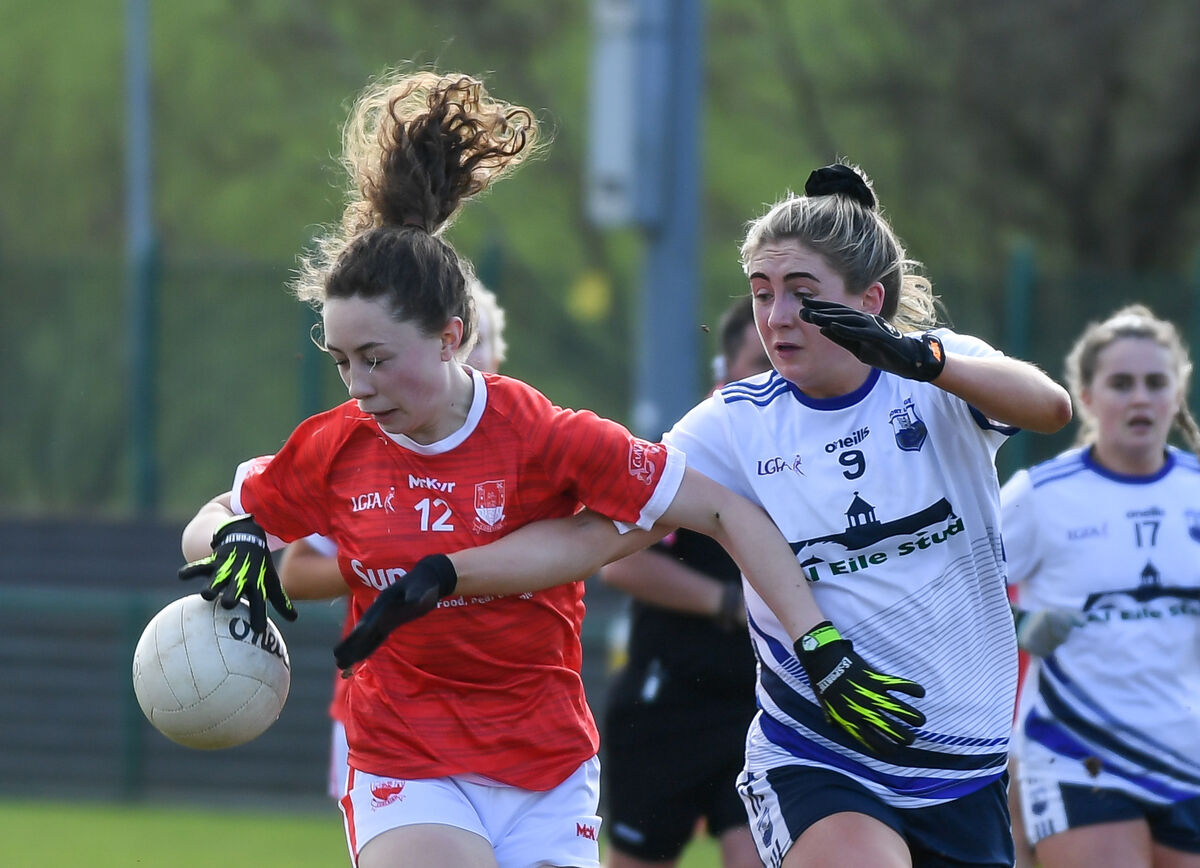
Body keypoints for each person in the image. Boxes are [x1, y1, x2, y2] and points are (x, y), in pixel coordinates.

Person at [177, 74, 923, 868]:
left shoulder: (542, 435)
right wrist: (233, 536)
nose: (358, 386)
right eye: (340, 362)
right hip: (405, 762)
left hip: (545, 771)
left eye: (376, 359)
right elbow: (218, 515)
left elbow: (725, 513)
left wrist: (818, 643)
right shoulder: (335, 444)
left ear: (449, 337)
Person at [327, 161, 1072, 868]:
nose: (777, 315)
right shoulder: (733, 423)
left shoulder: (937, 373)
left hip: (962, 759)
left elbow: (1049, 407)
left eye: (801, 291)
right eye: (760, 291)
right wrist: (447, 571)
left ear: (869, 300)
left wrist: (923, 359)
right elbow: (599, 533)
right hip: (822, 750)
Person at [278, 275, 508, 801]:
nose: (477, 354)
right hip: (390, 715)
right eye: (345, 362)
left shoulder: (526, 443)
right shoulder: (366, 442)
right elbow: (293, 569)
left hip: (505, 719)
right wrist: (390, 566)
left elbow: (605, 533)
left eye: (487, 341)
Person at [1001, 304, 1200, 868]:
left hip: (1186, 755)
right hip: (1075, 753)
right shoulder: (1041, 495)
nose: (1140, 398)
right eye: (1121, 384)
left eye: (1155, 383)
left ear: (1177, 392)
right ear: (1085, 396)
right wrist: (1022, 625)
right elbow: (955, 587)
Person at [600, 296, 769, 868]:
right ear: (723, 373)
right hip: (667, 703)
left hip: (761, 710)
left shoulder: (808, 457)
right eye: (758, 362)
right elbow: (618, 561)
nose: (772, 379)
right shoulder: (691, 450)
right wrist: (727, 601)